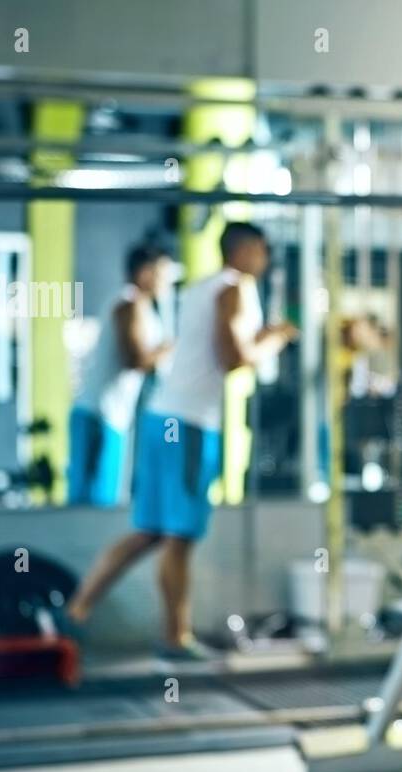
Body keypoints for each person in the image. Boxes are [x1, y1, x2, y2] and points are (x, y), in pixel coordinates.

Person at [66, 223, 297, 658]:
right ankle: (175, 638)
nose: (264, 262)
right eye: (262, 252)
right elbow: (233, 359)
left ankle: (77, 609)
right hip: (189, 423)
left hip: (162, 417)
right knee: (180, 536)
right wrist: (276, 339)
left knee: (151, 530)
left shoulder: (199, 288)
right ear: (245, 251)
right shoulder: (234, 287)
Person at [67, 243, 173, 506]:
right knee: (94, 504)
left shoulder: (144, 307)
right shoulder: (129, 304)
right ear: (145, 273)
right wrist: (169, 349)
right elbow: (135, 359)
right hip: (99, 414)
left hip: (112, 415)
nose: (166, 282)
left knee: (106, 498)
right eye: (162, 273)